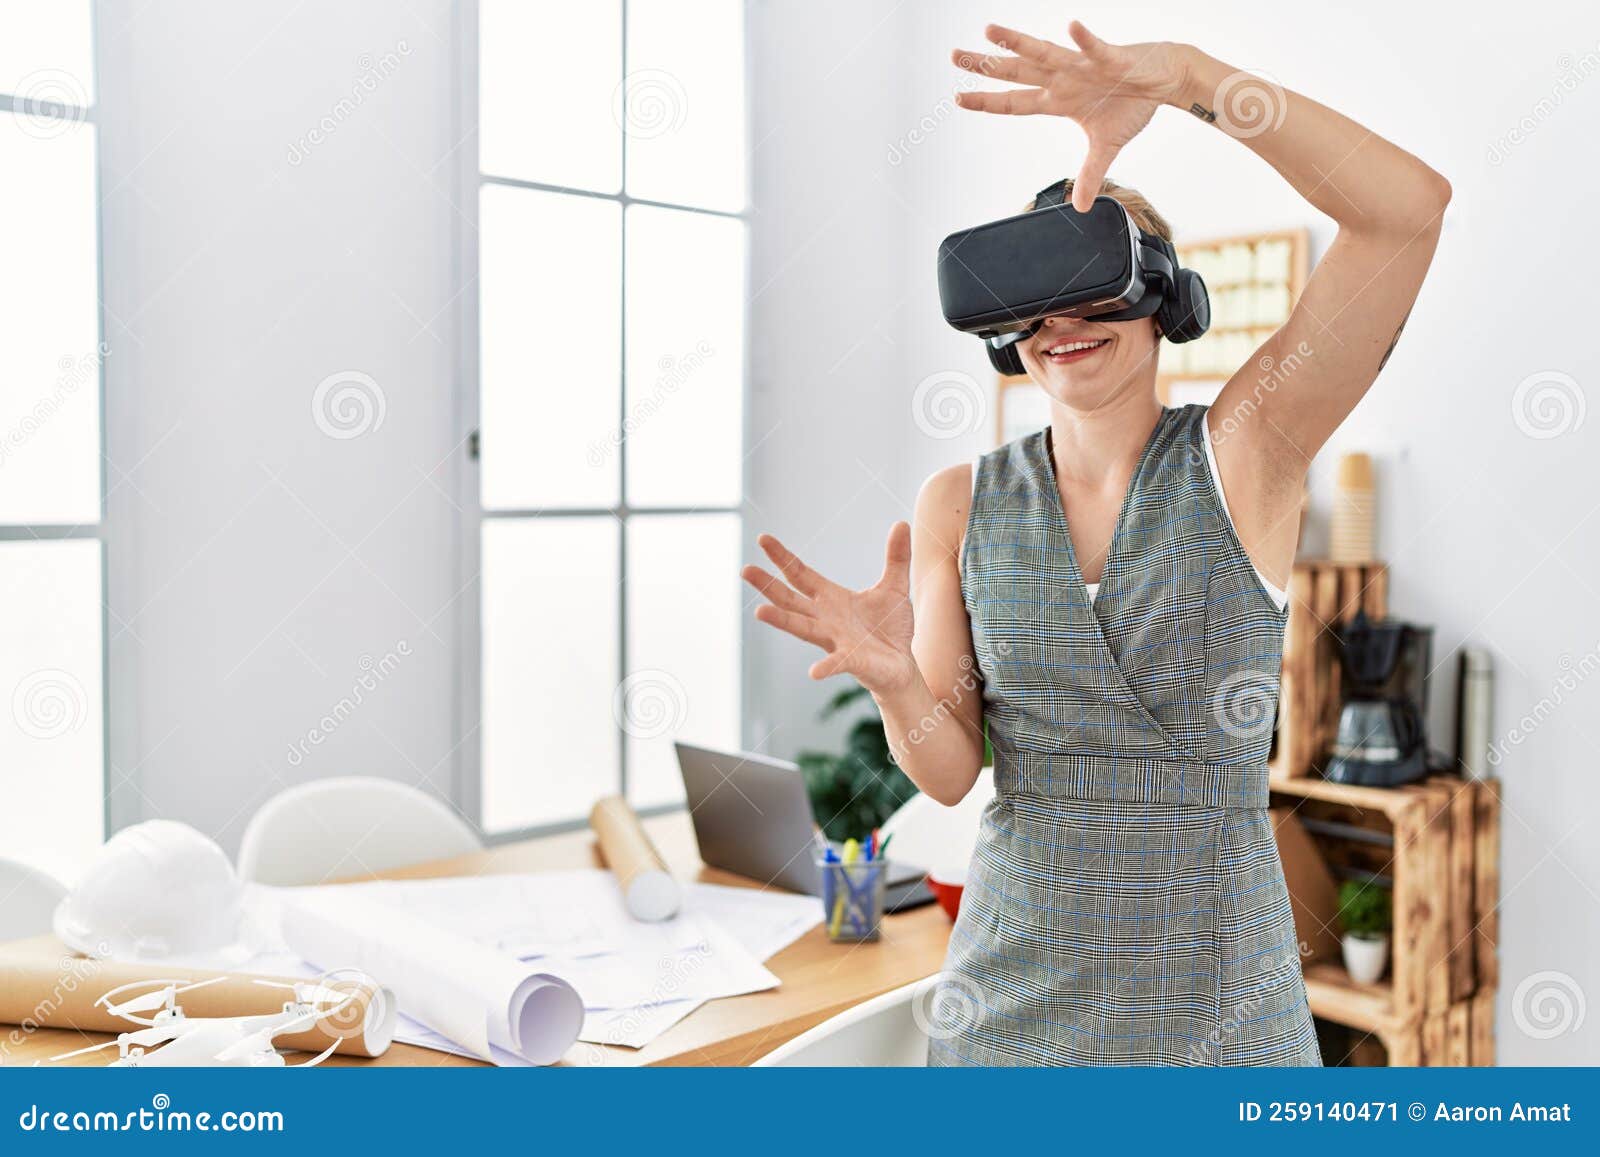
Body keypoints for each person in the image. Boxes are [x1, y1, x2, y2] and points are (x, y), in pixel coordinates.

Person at [742, 21, 1449, 1065]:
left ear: (1162, 297)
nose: (1062, 321)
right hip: (1012, 993)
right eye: (1034, 296)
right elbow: (944, 774)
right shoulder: (959, 503)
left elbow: (1404, 214)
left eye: (1096, 284)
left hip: (1215, 997)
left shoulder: (1246, 450)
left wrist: (1189, 79)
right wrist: (899, 682)